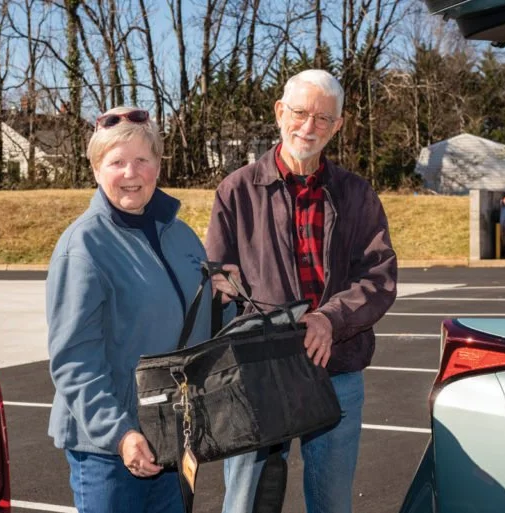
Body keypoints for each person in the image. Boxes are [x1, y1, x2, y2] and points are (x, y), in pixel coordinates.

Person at [205, 69, 398, 513]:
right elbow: (218, 285)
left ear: (339, 125)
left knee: (331, 503)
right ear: (279, 113)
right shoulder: (235, 191)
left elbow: (379, 277)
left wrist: (329, 319)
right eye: (299, 113)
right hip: (257, 376)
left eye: (323, 118)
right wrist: (220, 285)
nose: (308, 128)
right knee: (246, 504)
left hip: (336, 371)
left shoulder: (355, 193)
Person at [46, 106, 238, 513]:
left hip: (171, 436)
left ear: (157, 166)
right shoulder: (83, 246)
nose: (131, 173)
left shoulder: (181, 236)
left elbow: (200, 336)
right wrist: (120, 434)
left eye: (142, 160)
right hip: (110, 451)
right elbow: (73, 360)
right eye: (116, 162)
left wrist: (225, 302)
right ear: (97, 169)